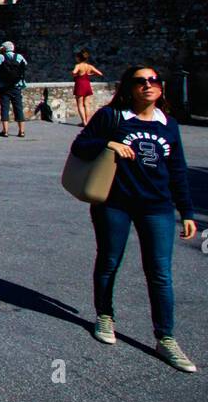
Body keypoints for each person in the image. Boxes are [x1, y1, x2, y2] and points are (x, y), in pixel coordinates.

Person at [70, 65, 199, 373]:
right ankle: (105, 316)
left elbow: (178, 171)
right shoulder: (112, 118)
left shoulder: (168, 124)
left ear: (161, 87)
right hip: (115, 204)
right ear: (129, 88)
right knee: (109, 260)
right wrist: (107, 143)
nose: (147, 85)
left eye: (153, 80)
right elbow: (79, 146)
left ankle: (165, 337)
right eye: (140, 81)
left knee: (160, 273)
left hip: (157, 207)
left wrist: (187, 211)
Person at [0, 41, 28, 138]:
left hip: (4, 86)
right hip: (16, 86)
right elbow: (25, 64)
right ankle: (22, 131)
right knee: (18, 108)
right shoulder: (19, 56)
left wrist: (0, 53)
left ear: (4, 48)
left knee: (5, 108)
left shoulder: (0, 57)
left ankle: (5, 131)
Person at [72, 49, 104, 126]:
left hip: (80, 84)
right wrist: (90, 74)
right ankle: (88, 121)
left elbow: (74, 72)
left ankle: (84, 122)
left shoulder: (78, 65)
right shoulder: (89, 66)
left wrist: (75, 75)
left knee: (80, 104)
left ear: (79, 58)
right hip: (87, 84)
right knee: (86, 104)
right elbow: (100, 73)